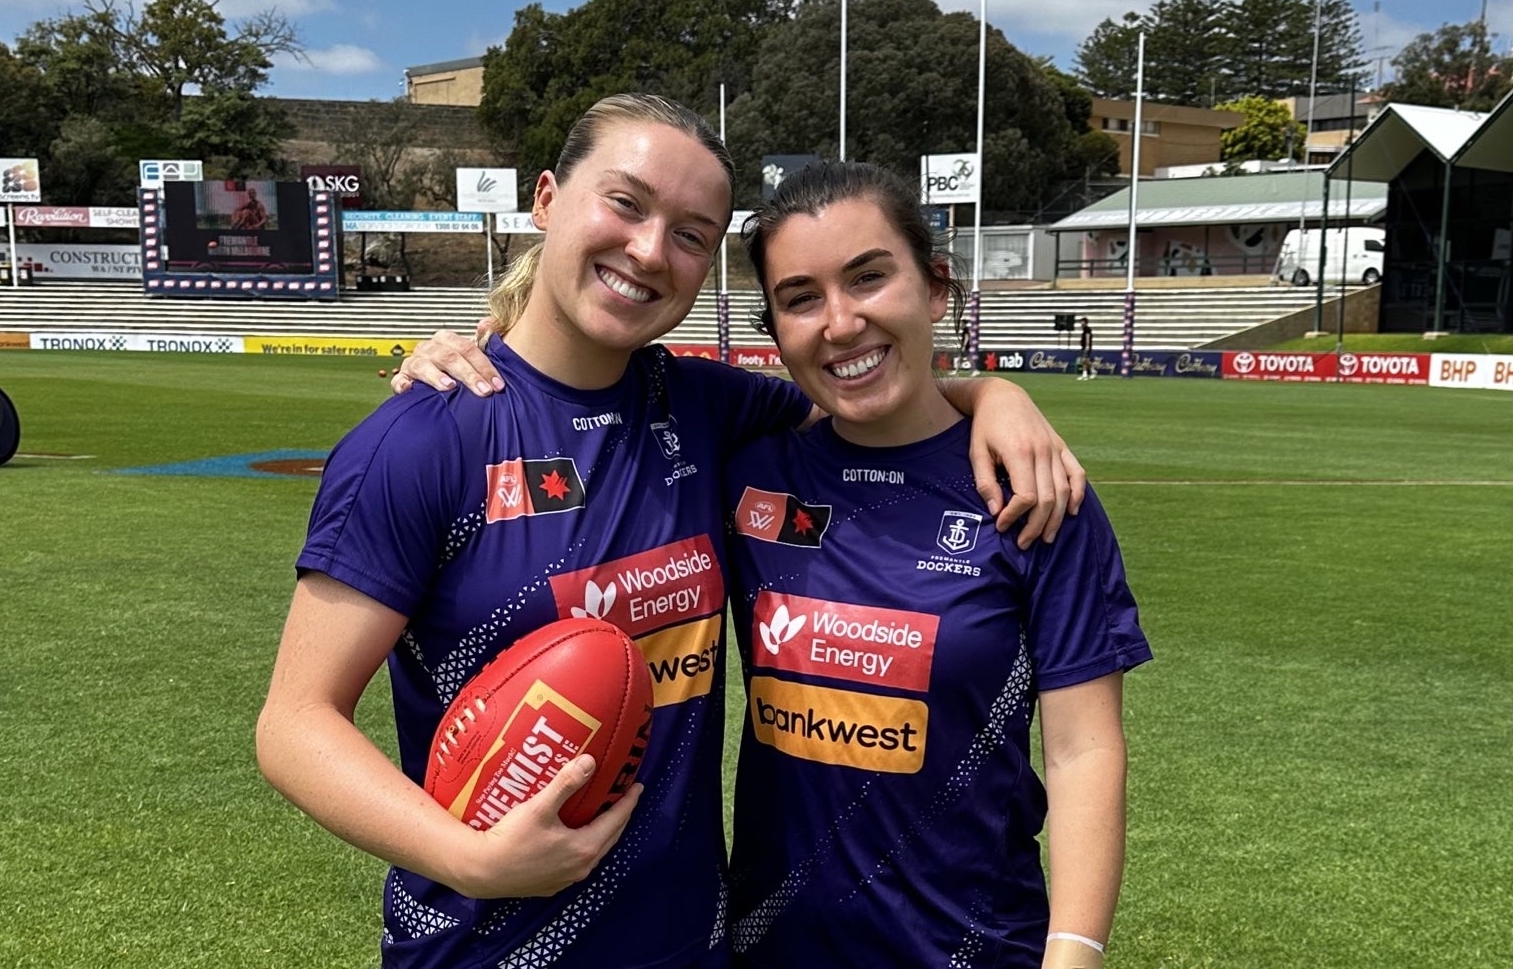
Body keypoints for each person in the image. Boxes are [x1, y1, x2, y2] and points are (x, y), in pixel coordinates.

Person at [258, 93, 1083, 969]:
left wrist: (995, 394)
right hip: (479, 947)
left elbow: (864, 382)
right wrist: (468, 857)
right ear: (545, 200)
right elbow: (294, 722)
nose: (650, 250)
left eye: (692, 234)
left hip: (690, 947)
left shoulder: (702, 407)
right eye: (625, 203)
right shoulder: (420, 440)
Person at [720, 162, 1150, 969]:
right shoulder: (745, 474)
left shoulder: (1033, 490)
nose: (840, 322)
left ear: (936, 287)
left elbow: (1083, 750)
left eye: (869, 277)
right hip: (770, 947)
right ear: (774, 329)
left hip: (973, 947)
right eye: (800, 297)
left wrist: (1075, 953)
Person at [1078, 316, 1095, 381]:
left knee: (1084, 360)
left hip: (1086, 347)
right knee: (1084, 361)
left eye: (1082, 321)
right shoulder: (1084, 329)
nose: (1081, 323)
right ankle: (1084, 374)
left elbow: (1088, 337)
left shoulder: (1087, 329)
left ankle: (1093, 370)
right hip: (1083, 347)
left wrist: (1087, 345)